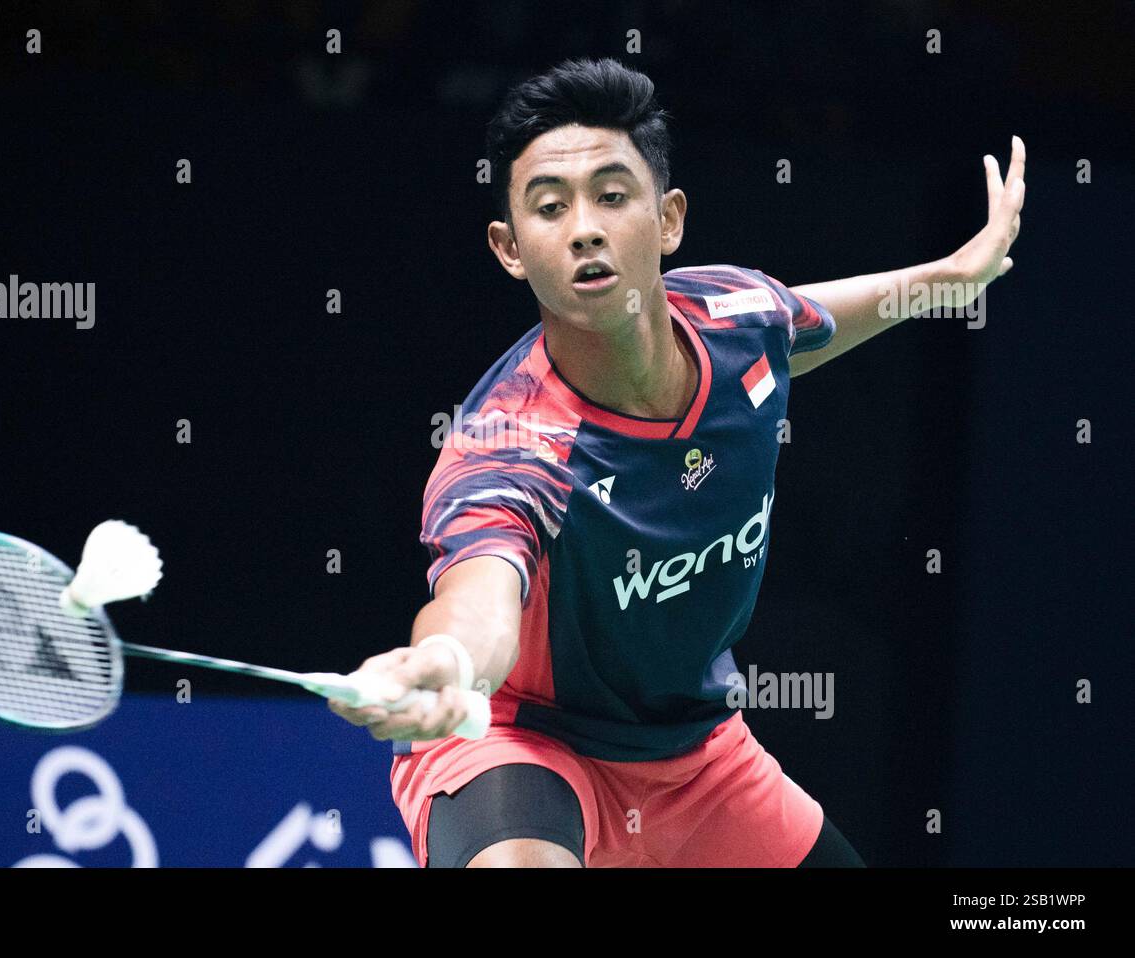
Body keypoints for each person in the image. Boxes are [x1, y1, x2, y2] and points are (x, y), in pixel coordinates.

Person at [329, 58, 1025, 867]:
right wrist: (448, 663)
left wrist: (947, 279)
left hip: (696, 754)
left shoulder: (740, 320)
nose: (585, 227)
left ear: (669, 220)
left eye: (612, 196)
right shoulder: (509, 445)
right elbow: (479, 596)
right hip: (525, 745)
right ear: (510, 248)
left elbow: (804, 327)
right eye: (550, 208)